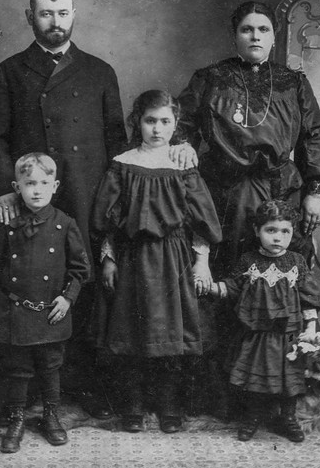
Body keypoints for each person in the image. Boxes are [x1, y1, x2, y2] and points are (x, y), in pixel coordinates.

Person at [0, 0, 127, 419]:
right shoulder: (9, 72)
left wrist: (113, 200)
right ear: (30, 18)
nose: (55, 22)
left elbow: (115, 141)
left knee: (84, 282)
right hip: (32, 200)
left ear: (74, 14)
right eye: (45, 14)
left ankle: (79, 385)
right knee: (29, 283)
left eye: (63, 13)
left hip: (85, 194)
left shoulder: (100, 72)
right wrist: (6, 190)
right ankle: (24, 396)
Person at [90, 90, 223, 433]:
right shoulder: (123, 163)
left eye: (165, 121)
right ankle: (132, 407)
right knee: (131, 333)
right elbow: (107, 220)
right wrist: (108, 259)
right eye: (150, 121)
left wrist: (201, 261)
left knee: (170, 335)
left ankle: (169, 406)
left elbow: (200, 218)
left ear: (176, 123)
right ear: (138, 122)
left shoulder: (183, 164)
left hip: (173, 259)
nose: (157, 129)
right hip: (132, 258)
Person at [177, 0, 320, 269]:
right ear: (235, 36)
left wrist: (315, 192)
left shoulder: (293, 82)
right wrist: (183, 145)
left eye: (264, 30)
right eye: (247, 30)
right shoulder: (211, 78)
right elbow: (182, 123)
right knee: (227, 272)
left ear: (274, 37)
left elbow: (313, 135)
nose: (255, 36)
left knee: (282, 270)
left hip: (280, 191)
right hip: (225, 192)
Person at [0, 153, 91, 453]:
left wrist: (68, 298)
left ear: (55, 186)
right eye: (30, 183)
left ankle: (50, 415)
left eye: (44, 183)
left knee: (50, 366)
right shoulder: (10, 224)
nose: (37, 190)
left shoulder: (64, 224)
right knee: (18, 368)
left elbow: (81, 269)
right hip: (15, 308)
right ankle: (16, 418)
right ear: (17, 187)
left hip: (50, 310)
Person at [208, 200, 320, 443]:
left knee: (290, 375)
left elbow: (309, 296)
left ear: (292, 232)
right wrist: (212, 287)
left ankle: (288, 417)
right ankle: (253, 416)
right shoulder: (249, 261)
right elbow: (234, 286)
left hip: (290, 332)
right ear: (257, 230)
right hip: (257, 331)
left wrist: (310, 327)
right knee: (256, 376)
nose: (278, 237)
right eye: (271, 230)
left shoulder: (296, 262)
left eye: (285, 231)